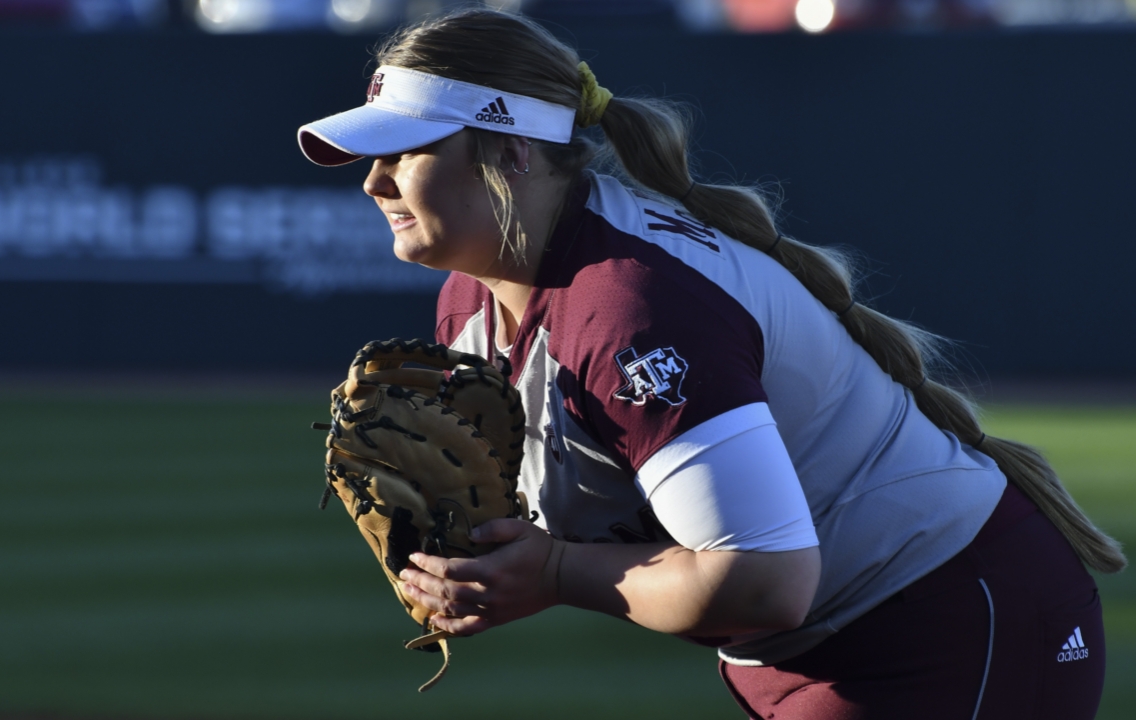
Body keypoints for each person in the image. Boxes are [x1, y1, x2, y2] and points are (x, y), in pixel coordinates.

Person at [297, 8, 1122, 718]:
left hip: (948, 624)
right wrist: (473, 565)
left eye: (406, 152)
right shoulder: (472, 299)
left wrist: (550, 571)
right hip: (817, 650)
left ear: (512, 151)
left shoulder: (629, 307)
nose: (375, 183)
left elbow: (764, 581)